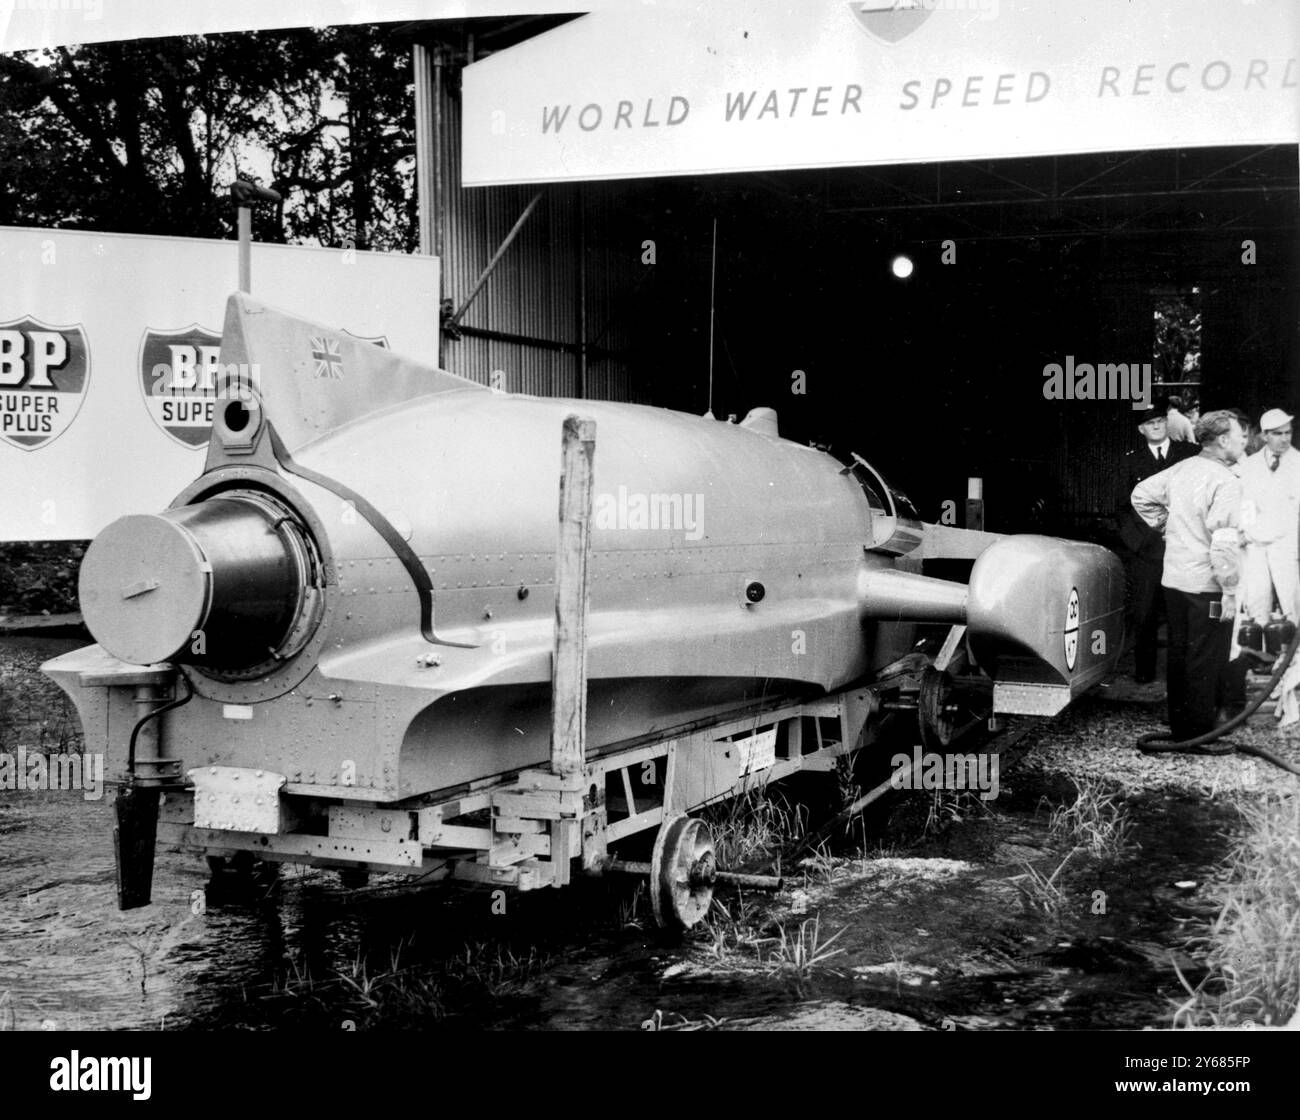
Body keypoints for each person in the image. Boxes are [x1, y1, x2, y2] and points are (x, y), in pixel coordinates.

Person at [1131, 410, 1247, 740]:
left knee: (1180, 653)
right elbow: (1224, 544)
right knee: (1206, 658)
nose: (1242, 441)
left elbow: (1141, 495)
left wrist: (1167, 527)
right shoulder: (1225, 481)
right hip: (1206, 586)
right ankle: (1198, 734)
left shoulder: (1181, 469)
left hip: (1175, 581)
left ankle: (1180, 726)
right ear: (1223, 440)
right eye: (1239, 436)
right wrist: (1229, 590)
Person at [1116, 399, 1198, 682]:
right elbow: (1122, 509)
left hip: (1183, 548)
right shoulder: (1131, 461)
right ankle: (1144, 673)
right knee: (1145, 613)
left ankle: (1182, 675)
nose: (1156, 426)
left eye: (1160, 421)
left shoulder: (1189, 454)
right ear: (1141, 429)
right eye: (1150, 423)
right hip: (1146, 551)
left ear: (1167, 422)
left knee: (1182, 614)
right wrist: (1138, 543)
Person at [1239, 407, 1300, 625]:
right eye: (1277, 434)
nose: (1284, 439)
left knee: (1293, 603)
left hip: (1288, 545)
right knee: (1256, 602)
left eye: (1288, 433)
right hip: (1255, 545)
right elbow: (1245, 503)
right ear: (1264, 435)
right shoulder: (1250, 464)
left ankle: (1296, 658)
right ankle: (1259, 656)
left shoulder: (1298, 463)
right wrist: (1246, 533)